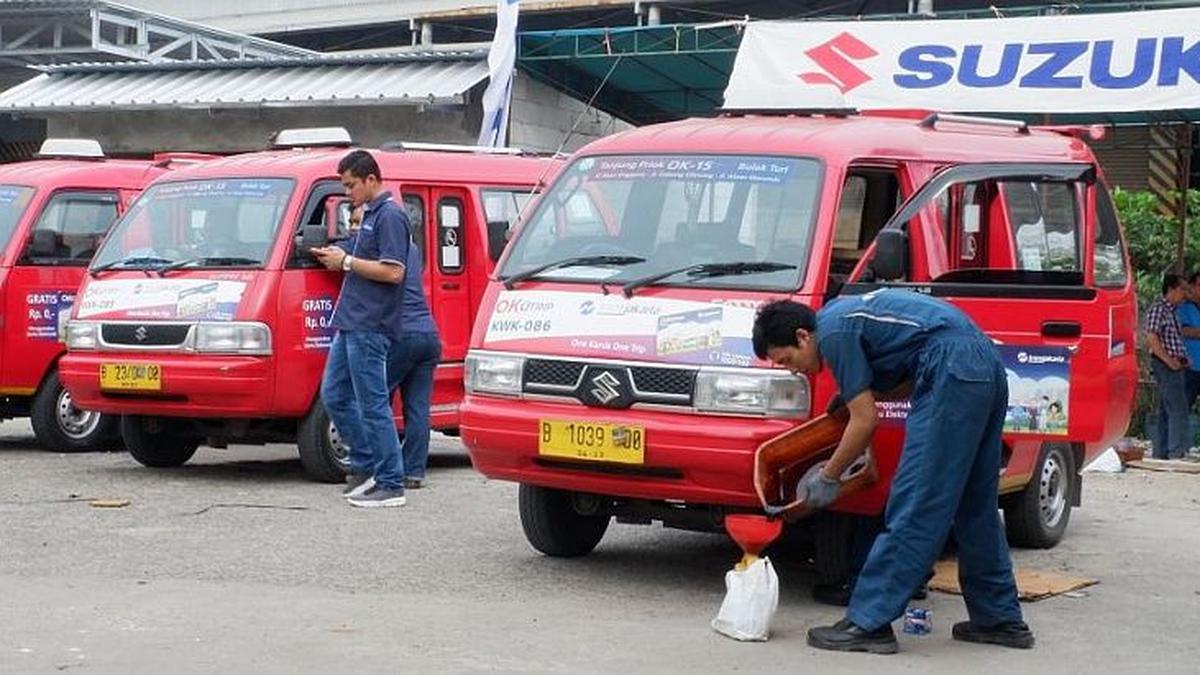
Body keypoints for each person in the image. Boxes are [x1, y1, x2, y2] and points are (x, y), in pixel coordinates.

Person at [752, 291, 1032, 655]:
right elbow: (903, 377)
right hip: (984, 364)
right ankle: (999, 619)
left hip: (951, 366)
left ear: (804, 336)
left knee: (917, 500)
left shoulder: (833, 331)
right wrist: (864, 394)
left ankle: (869, 622)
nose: (794, 369)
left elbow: (866, 420)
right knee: (974, 504)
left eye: (788, 359)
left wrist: (829, 477)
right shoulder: (847, 316)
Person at [311, 150, 413, 507]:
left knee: (373, 404)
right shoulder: (368, 214)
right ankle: (368, 466)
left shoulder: (390, 217)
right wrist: (334, 253)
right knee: (335, 394)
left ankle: (390, 483)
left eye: (351, 185)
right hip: (350, 321)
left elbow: (394, 271)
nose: (348, 193)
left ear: (372, 179)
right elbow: (356, 256)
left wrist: (348, 262)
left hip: (371, 325)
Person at [1146, 273, 1191, 461]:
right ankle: (1177, 452)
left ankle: (1162, 452)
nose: (1185, 294)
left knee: (1166, 409)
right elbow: (1152, 338)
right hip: (1165, 364)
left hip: (1175, 363)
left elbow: (1174, 339)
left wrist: (1183, 358)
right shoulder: (1159, 310)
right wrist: (1168, 360)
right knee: (1178, 409)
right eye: (1183, 289)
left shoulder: (1173, 312)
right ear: (1171, 289)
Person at [1174, 271, 1200, 459]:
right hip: (1189, 367)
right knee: (1182, 409)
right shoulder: (1183, 308)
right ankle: (1179, 449)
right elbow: (1184, 331)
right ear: (1191, 286)